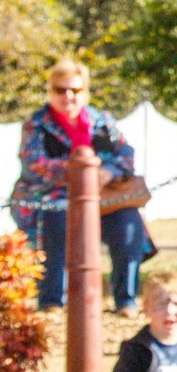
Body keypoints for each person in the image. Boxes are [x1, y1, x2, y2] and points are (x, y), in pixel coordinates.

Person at [13, 58, 153, 312]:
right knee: (56, 222)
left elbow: (126, 153)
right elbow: (34, 164)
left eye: (75, 90)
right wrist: (81, 171)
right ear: (51, 92)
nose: (68, 96)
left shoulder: (102, 121)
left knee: (128, 222)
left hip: (104, 199)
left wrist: (108, 171)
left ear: (85, 92)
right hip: (55, 200)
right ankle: (52, 300)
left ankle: (126, 299)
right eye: (60, 89)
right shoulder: (36, 124)